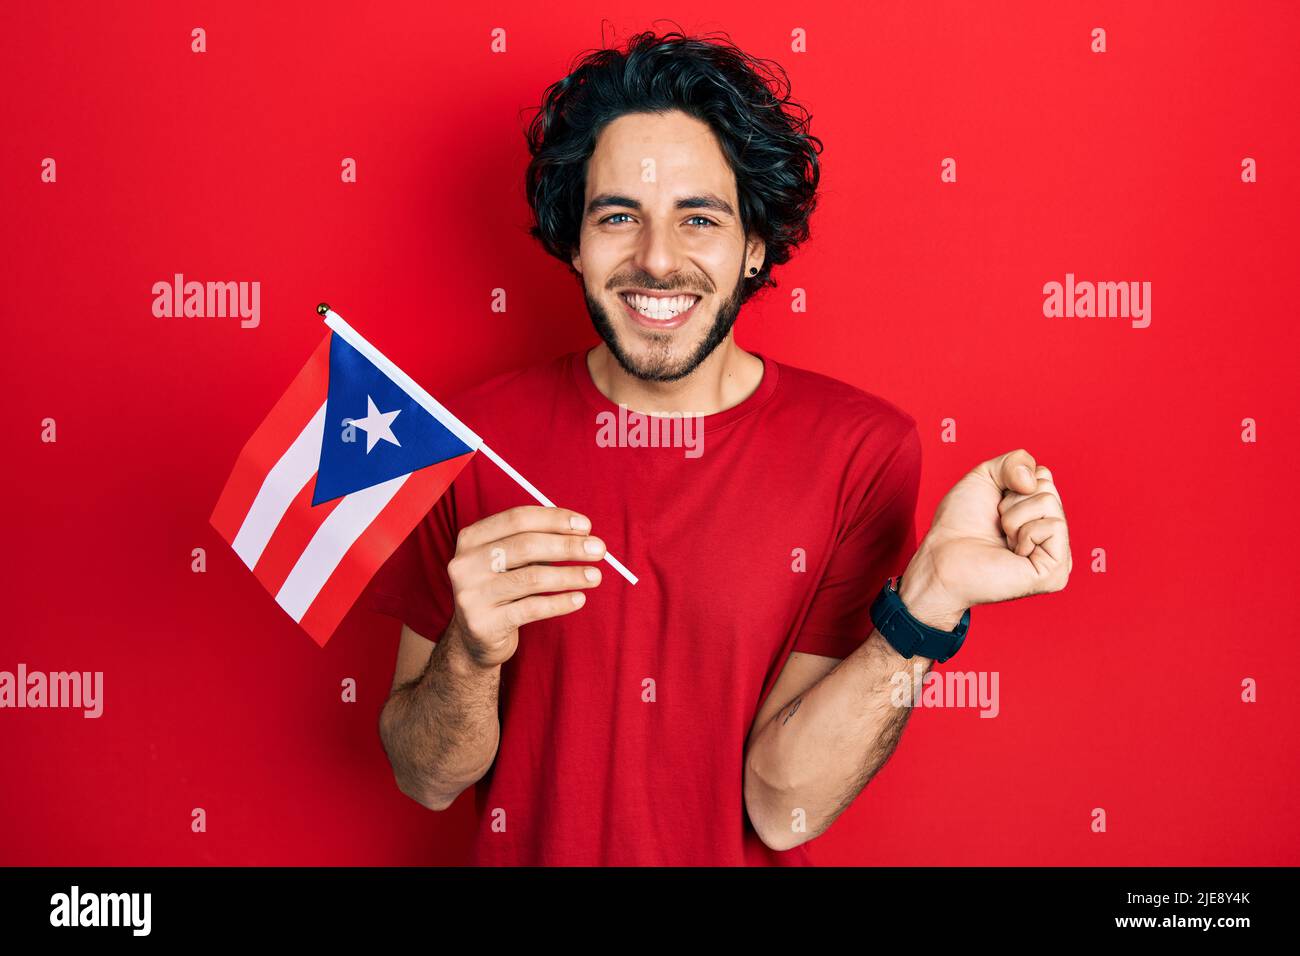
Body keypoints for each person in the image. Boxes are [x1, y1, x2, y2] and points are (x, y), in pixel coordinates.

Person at [364, 28, 1071, 866]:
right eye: (618, 216)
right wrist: (471, 655)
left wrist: (926, 606)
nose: (656, 261)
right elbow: (426, 778)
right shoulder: (468, 442)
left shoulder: (862, 453)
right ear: (575, 243)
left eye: (698, 218)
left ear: (754, 248)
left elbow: (783, 809)